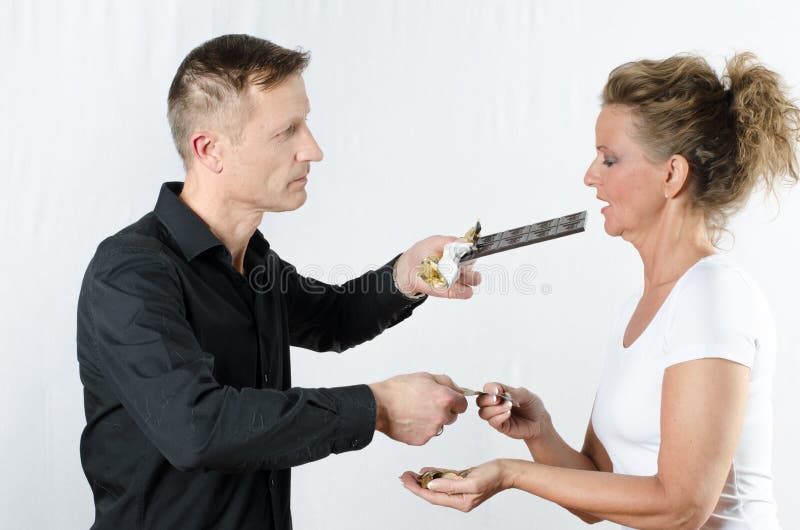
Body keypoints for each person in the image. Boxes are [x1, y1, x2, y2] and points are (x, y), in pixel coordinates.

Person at [77, 34, 480, 530]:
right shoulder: (131, 273)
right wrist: (376, 407)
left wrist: (406, 275)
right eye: (287, 131)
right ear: (209, 149)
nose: (313, 150)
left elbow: (331, 318)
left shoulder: (252, 259)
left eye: (305, 123)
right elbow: (197, 427)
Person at [402, 52, 799, 529]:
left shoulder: (712, 296)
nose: (590, 176)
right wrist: (540, 433)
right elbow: (598, 495)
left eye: (609, 159)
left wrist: (511, 473)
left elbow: (682, 507)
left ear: (671, 175)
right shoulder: (637, 309)